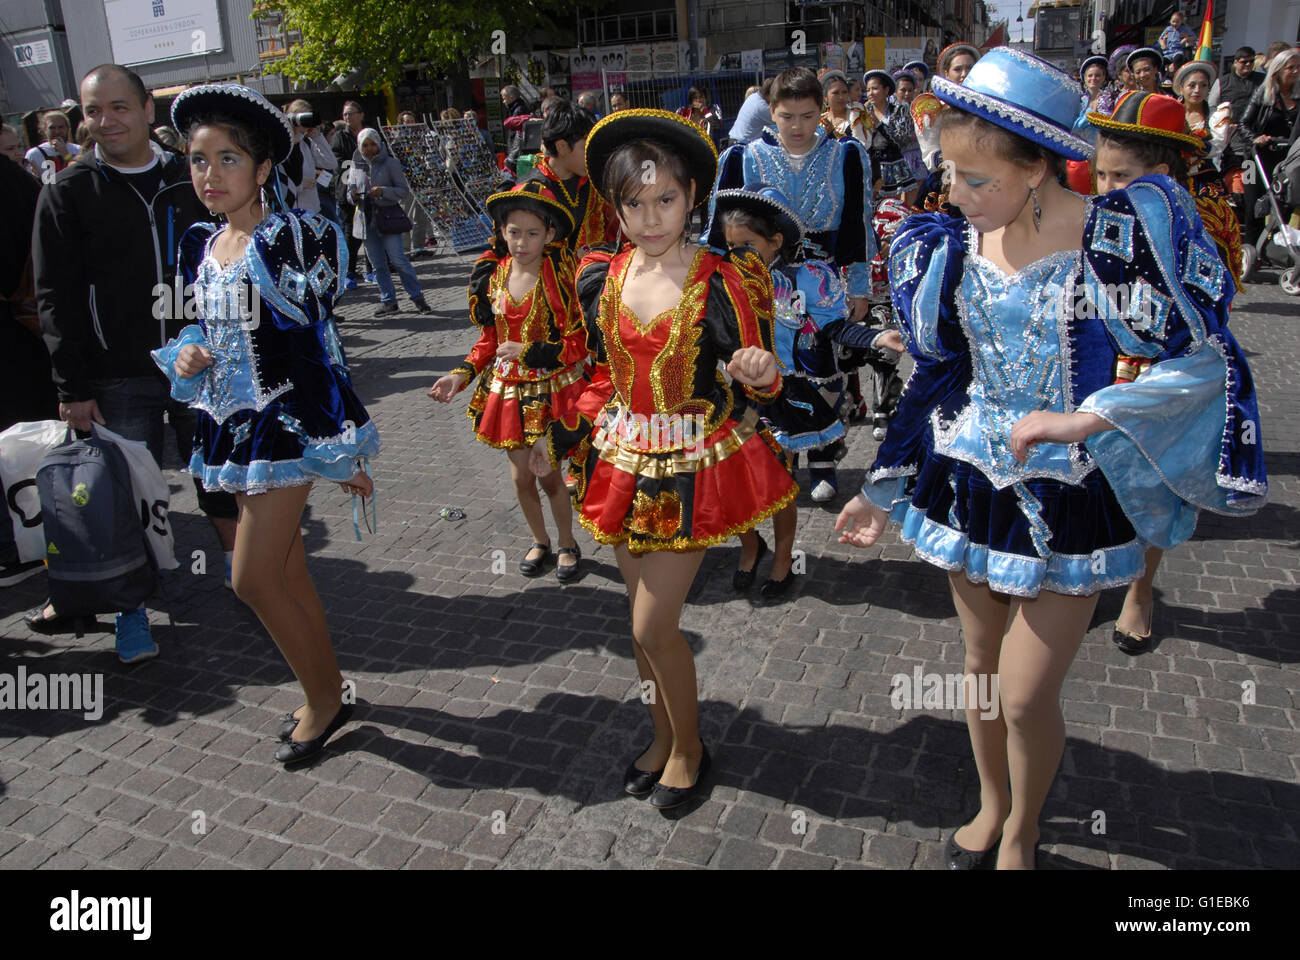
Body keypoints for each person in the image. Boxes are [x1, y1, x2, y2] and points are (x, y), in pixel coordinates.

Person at [835, 48, 1266, 869]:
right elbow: (941, 373)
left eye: (975, 180)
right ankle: (993, 804)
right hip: (968, 477)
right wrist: (881, 488)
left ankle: (1026, 830)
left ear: (1036, 168)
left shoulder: (1114, 243)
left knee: (1027, 693)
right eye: (950, 175)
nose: (953, 196)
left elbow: (1204, 360)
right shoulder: (954, 243)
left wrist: (1087, 418)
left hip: (1071, 494)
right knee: (978, 668)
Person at [531, 109, 795, 807]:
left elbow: (760, 389)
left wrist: (760, 371)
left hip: (691, 467)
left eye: (666, 200)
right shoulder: (599, 276)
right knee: (634, 622)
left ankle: (691, 745)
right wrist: (561, 436)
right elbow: (592, 371)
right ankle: (660, 732)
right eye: (634, 203)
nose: (651, 218)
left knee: (654, 623)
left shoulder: (722, 279)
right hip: (623, 461)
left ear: (694, 198)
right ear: (614, 208)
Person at [152, 83, 377, 764]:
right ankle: (327, 691)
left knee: (250, 580)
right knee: (288, 574)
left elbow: (313, 351)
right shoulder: (204, 243)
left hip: (284, 427)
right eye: (198, 159)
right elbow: (212, 335)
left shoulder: (286, 241)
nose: (210, 174)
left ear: (262, 169)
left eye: (227, 159)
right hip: (232, 432)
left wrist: (339, 454)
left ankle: (326, 700)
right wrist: (189, 350)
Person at [30, 63, 239, 661]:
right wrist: (71, 385)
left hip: (206, 363)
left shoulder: (191, 176)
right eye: (93, 111)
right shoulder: (66, 191)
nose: (106, 121)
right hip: (117, 373)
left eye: (119, 107)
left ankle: (241, 576)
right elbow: (56, 299)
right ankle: (130, 611)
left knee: (220, 477)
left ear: (148, 110)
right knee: (122, 497)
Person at [1088, 90, 1246, 655]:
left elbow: (1212, 308)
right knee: (1093, 479)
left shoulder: (1206, 220)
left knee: (1153, 482)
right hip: (1099, 369)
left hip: (1166, 375)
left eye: (1121, 175)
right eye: (1101, 173)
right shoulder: (1091, 214)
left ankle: (1140, 589)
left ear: (1159, 173)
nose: (1107, 188)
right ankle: (1091, 576)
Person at [710, 184, 902, 597]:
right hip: (735, 393)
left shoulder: (808, 279)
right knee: (729, 476)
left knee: (780, 481)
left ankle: (782, 559)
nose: (738, 254)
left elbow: (835, 327)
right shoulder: (720, 282)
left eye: (748, 244)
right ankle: (749, 544)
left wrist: (873, 340)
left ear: (775, 241)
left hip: (787, 392)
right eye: (730, 246)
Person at [716, 66, 877, 501]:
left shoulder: (844, 155)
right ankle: (777, 455)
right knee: (770, 367)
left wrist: (859, 286)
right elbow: (719, 231)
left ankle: (824, 457)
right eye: (788, 116)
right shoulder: (742, 157)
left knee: (822, 367)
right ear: (771, 112)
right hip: (759, 282)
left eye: (808, 116)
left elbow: (856, 223)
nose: (798, 127)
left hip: (820, 281)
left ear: (821, 109)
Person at [429, 180, 587, 582]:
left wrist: (531, 351)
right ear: (502, 232)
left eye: (532, 233)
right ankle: (540, 541)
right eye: (513, 232)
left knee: (549, 476)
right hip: (508, 392)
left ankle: (567, 542)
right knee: (520, 478)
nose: (522, 242)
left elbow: (578, 341)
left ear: (549, 234)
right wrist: (458, 376)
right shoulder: (494, 276)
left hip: (548, 390)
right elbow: (489, 341)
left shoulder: (559, 273)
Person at [0, 145, 59, 586]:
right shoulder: (19, 180)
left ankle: (21, 546)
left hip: (19, 336)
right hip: (30, 337)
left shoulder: (14, 182)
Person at [350, 128, 429, 315]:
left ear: (378, 144)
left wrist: (384, 191)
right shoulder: (355, 165)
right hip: (365, 217)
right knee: (377, 264)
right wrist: (353, 196)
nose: (369, 149)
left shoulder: (390, 163)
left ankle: (417, 297)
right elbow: (348, 192)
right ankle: (388, 300)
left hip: (387, 216)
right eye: (365, 145)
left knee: (398, 259)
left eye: (372, 144)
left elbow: (403, 191)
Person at [529, 100, 619, 255]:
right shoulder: (531, 192)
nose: (593, 154)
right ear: (562, 147)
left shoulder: (594, 184)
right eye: (586, 147)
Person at [1240, 49, 1300, 267]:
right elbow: (1244, 124)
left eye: (1297, 67)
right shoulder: (1263, 93)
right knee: (1252, 204)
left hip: (1286, 159)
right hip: (1254, 157)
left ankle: (1271, 248)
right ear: (1278, 70)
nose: (1294, 71)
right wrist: (1257, 138)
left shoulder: (1298, 96)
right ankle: (1248, 251)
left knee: (1281, 203)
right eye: (1290, 67)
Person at [1208, 47, 1263, 240]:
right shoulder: (1223, 82)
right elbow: (1212, 107)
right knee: (1228, 184)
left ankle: (1249, 232)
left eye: (1251, 61)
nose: (1247, 65)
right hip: (1229, 143)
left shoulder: (1261, 81)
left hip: (1252, 146)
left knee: (1249, 188)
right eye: (1243, 61)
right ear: (1235, 62)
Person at [329, 100, 366, 289]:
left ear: (361, 115)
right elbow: (339, 163)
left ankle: (372, 269)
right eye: (345, 114)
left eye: (351, 113)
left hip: (367, 190)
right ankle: (349, 271)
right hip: (347, 192)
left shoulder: (367, 135)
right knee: (351, 233)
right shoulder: (339, 137)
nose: (348, 117)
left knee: (371, 231)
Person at [24, 110, 80, 180]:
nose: (57, 132)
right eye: (52, 128)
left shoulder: (78, 150)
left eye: (61, 127)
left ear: (68, 129)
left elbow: (82, 173)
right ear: (44, 130)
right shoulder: (34, 154)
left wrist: (66, 155)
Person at [820, 69, 867, 143]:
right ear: (825, 97)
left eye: (844, 92)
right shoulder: (820, 121)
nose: (841, 97)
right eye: (836, 93)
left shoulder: (856, 115)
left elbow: (860, 146)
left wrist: (833, 133)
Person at [728, 77, 776, 144]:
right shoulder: (762, 107)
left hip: (735, 139)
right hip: (742, 145)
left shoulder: (753, 96)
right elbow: (781, 121)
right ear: (770, 93)